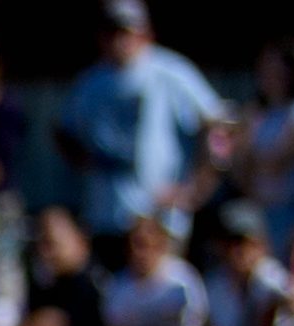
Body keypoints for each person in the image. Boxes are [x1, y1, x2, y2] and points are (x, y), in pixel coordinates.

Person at [61, 2, 230, 247]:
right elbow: (65, 132)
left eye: (126, 32)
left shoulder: (169, 71)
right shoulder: (90, 82)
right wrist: (87, 162)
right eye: (111, 33)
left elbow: (219, 126)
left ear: (145, 34)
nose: (118, 41)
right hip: (106, 220)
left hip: (160, 222)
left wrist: (195, 189)